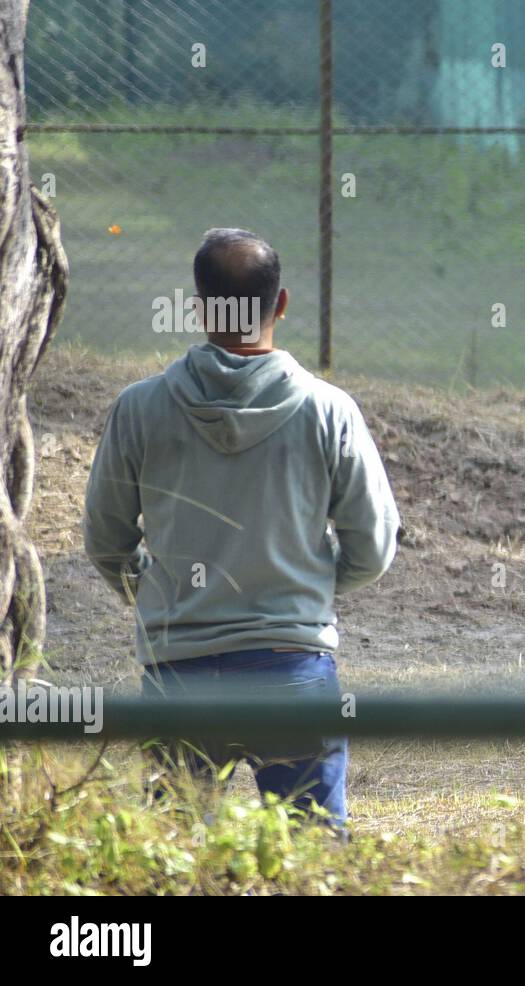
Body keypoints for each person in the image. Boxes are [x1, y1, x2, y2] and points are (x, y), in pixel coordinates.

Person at [83, 227, 400, 829]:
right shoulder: (328, 410)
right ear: (280, 304)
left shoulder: (140, 408)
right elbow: (374, 545)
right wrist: (304, 588)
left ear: (200, 307)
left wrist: (160, 593)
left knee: (173, 856)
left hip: (178, 670)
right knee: (313, 858)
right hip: (292, 665)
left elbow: (106, 540)